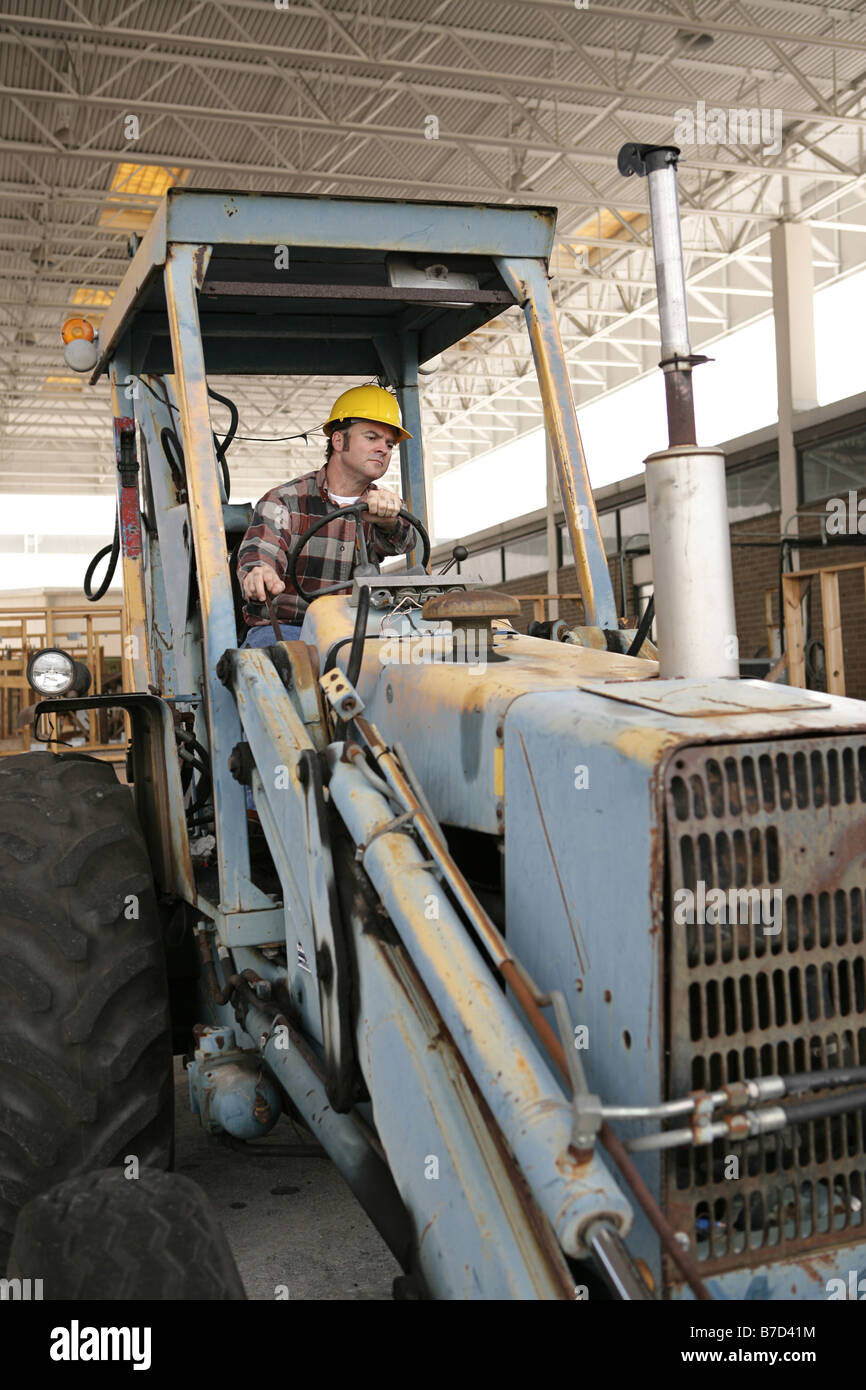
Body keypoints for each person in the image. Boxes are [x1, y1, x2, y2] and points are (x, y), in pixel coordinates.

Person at [236, 385, 415, 646]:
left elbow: (406, 539)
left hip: (357, 628)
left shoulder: (381, 505)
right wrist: (260, 573)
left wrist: (389, 520)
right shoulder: (285, 500)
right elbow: (262, 551)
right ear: (339, 441)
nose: (384, 449)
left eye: (389, 444)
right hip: (290, 628)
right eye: (371, 437)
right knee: (280, 668)